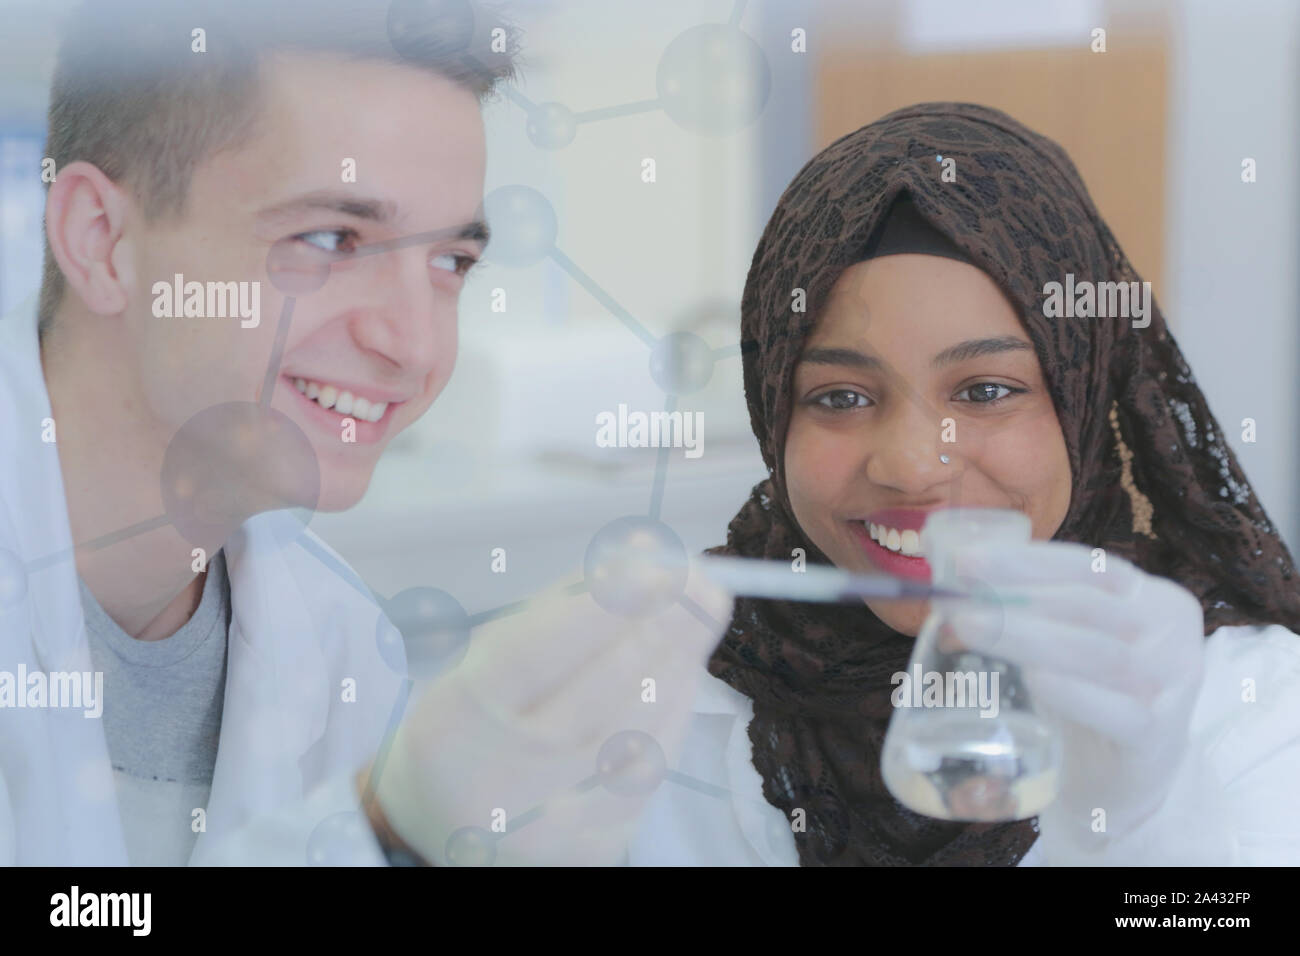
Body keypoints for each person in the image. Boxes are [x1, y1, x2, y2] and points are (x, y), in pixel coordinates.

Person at [0, 0, 731, 867]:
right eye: (331, 238)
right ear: (102, 239)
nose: (414, 346)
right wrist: (382, 837)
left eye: (450, 263)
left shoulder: (338, 639)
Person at [626, 102, 1300, 866]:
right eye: (841, 397)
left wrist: (1146, 823)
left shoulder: (1260, 709)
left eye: (985, 390)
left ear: (1084, 396)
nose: (912, 466)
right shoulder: (663, 693)